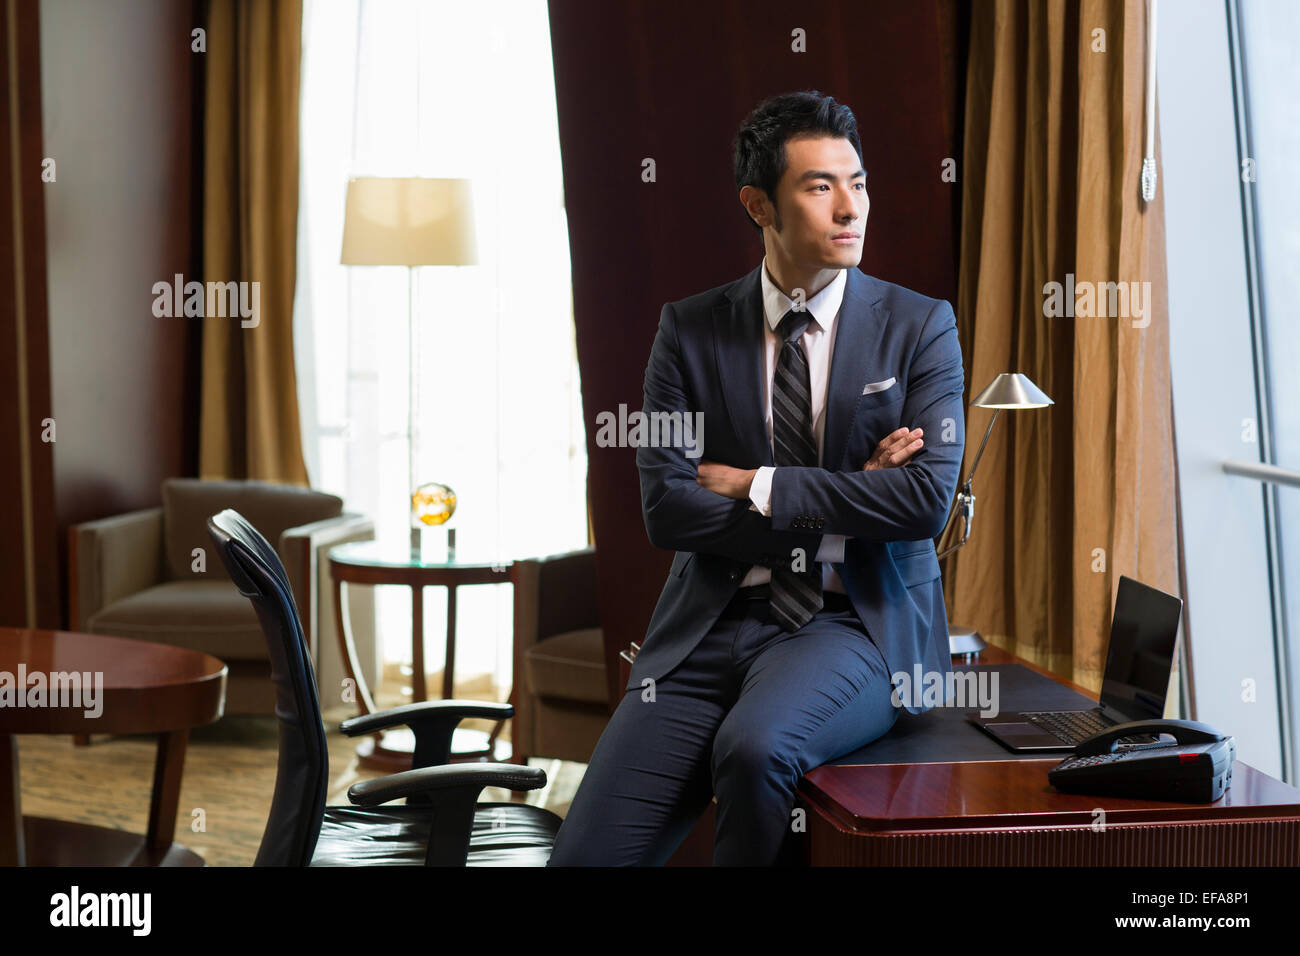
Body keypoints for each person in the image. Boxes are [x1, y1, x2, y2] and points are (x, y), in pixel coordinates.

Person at [547, 90, 965, 866]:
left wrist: (756, 483)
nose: (851, 208)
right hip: (707, 629)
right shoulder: (690, 330)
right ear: (758, 205)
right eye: (819, 186)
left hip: (852, 625)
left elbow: (923, 501)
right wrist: (848, 496)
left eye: (859, 182)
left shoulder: (919, 328)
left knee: (756, 748)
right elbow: (667, 511)